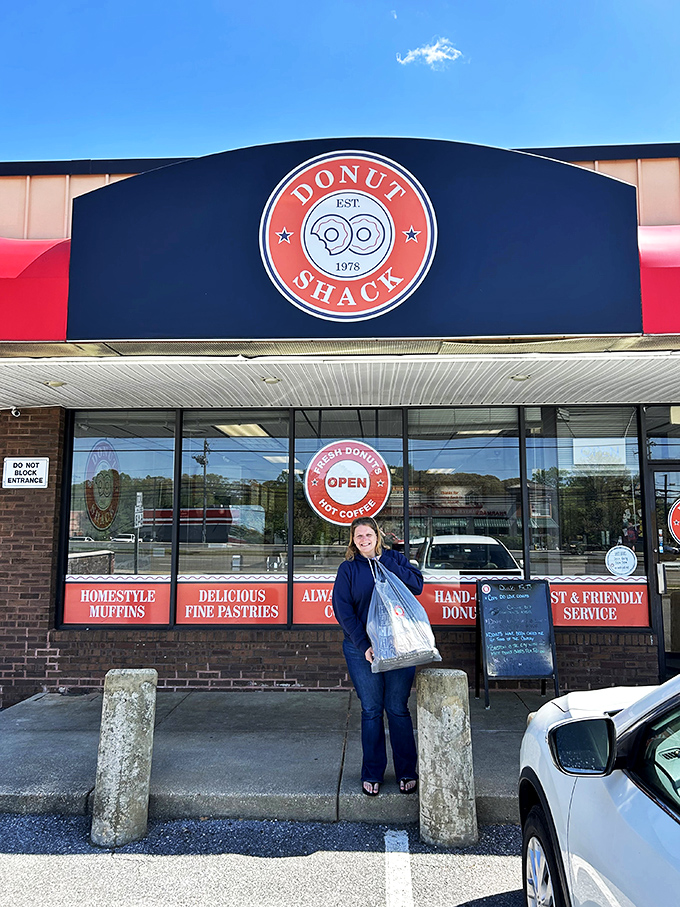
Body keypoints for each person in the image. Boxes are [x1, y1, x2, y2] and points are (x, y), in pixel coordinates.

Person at [332, 516, 424, 797]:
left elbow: (417, 586)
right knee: (371, 710)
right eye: (358, 536)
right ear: (353, 540)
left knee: (397, 708)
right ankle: (372, 772)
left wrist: (387, 562)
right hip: (363, 650)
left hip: (399, 646)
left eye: (367, 535)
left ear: (377, 536)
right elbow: (343, 610)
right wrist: (363, 645)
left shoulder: (395, 558)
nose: (363, 540)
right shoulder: (348, 569)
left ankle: (406, 771)